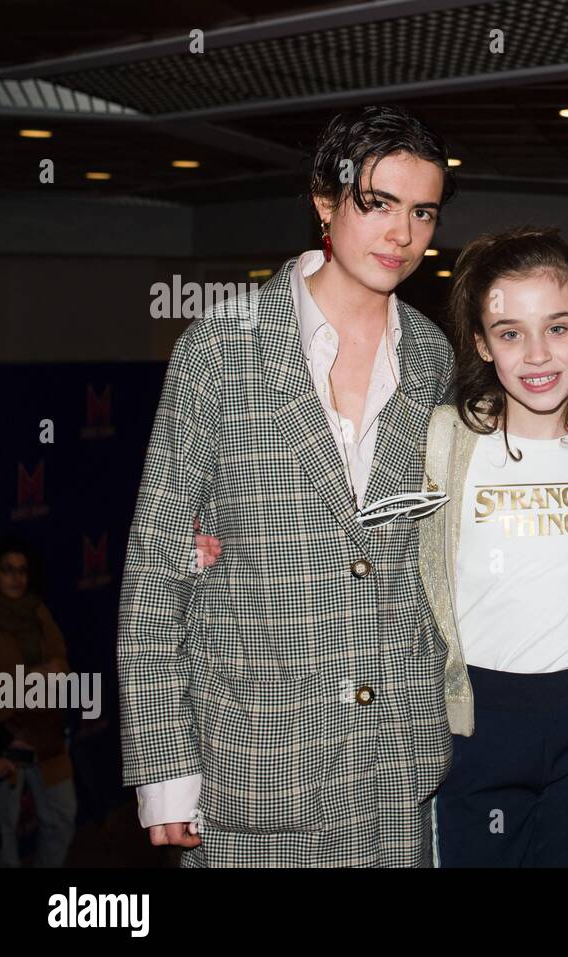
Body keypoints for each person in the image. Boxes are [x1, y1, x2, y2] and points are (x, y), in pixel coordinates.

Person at [118, 105, 456, 867]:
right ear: (326, 201)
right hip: (258, 772)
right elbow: (156, 566)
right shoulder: (217, 348)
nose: (401, 234)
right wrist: (166, 768)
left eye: (422, 211)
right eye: (378, 204)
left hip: (398, 773)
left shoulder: (433, 355)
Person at [418, 227, 568, 866]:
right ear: (482, 345)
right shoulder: (443, 441)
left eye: (558, 327)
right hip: (478, 724)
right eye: (511, 333)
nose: (538, 355)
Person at [0, 538, 76, 867]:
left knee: (62, 815)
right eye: (6, 570)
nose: (16, 577)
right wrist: (38, 673)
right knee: (3, 830)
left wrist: (30, 675)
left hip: (45, 735)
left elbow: (62, 666)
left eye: (22, 570)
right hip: (4, 740)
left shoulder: (37, 609)